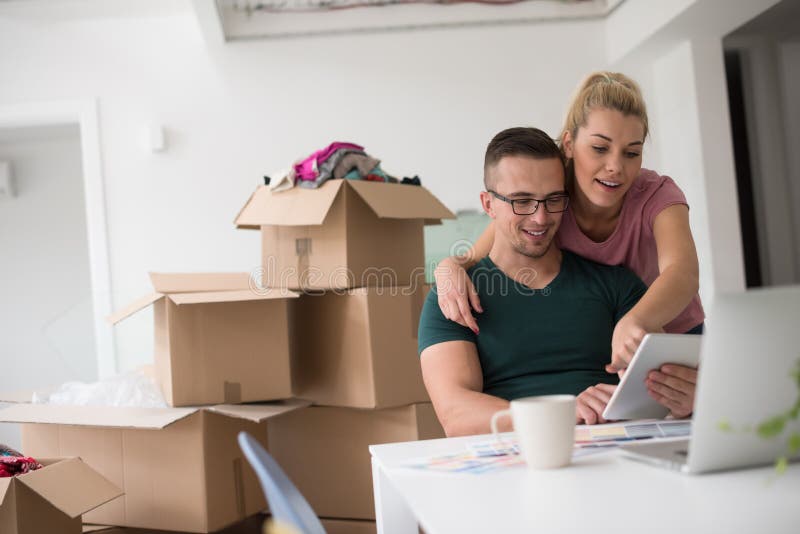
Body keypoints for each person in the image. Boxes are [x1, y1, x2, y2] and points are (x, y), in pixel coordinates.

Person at [434, 71, 703, 418]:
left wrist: (635, 320)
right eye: (600, 148)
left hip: (671, 331)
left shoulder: (656, 194)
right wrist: (446, 267)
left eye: (631, 153)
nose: (615, 167)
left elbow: (682, 272)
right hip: (610, 327)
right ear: (568, 145)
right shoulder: (550, 196)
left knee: (686, 422)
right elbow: (480, 252)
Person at [419, 127, 649, 436]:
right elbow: (455, 413)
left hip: (611, 451)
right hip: (514, 460)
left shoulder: (617, 286)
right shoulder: (455, 297)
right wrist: (561, 413)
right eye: (522, 201)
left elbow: (653, 390)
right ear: (488, 205)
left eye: (553, 199)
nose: (541, 218)